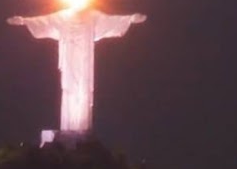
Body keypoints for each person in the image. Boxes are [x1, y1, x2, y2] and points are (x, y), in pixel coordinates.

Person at [8, 8, 147, 133]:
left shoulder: (92, 16)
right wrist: (24, 21)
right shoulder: (63, 17)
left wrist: (130, 19)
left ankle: (82, 128)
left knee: (83, 92)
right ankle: (68, 127)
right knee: (69, 91)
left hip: (85, 64)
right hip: (70, 63)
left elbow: (111, 21)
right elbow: (44, 22)